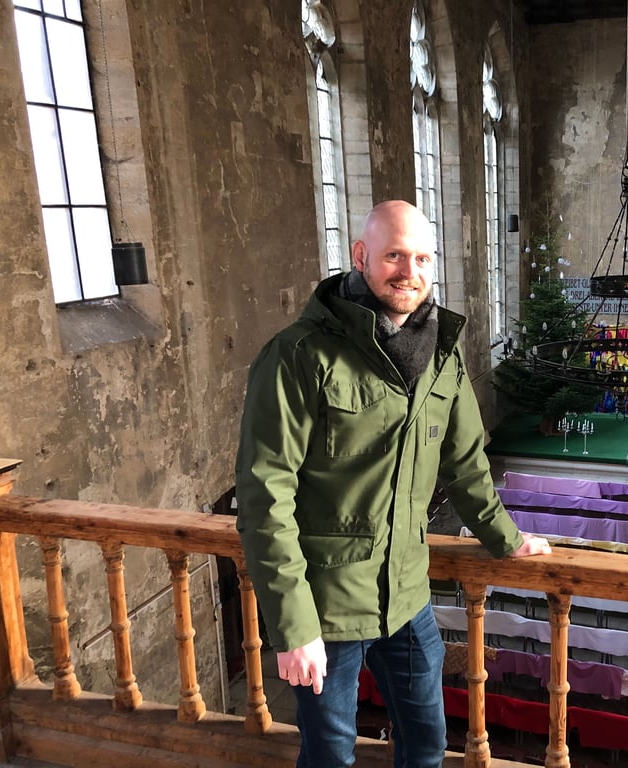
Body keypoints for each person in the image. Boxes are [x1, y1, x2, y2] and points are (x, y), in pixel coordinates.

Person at [235, 199, 551, 768]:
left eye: (423, 259)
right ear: (361, 257)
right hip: (326, 608)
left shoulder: (442, 355)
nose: (410, 272)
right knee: (330, 754)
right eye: (394, 256)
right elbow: (264, 498)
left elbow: (465, 464)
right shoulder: (299, 356)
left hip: (407, 597)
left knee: (427, 746)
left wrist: (508, 538)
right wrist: (292, 624)